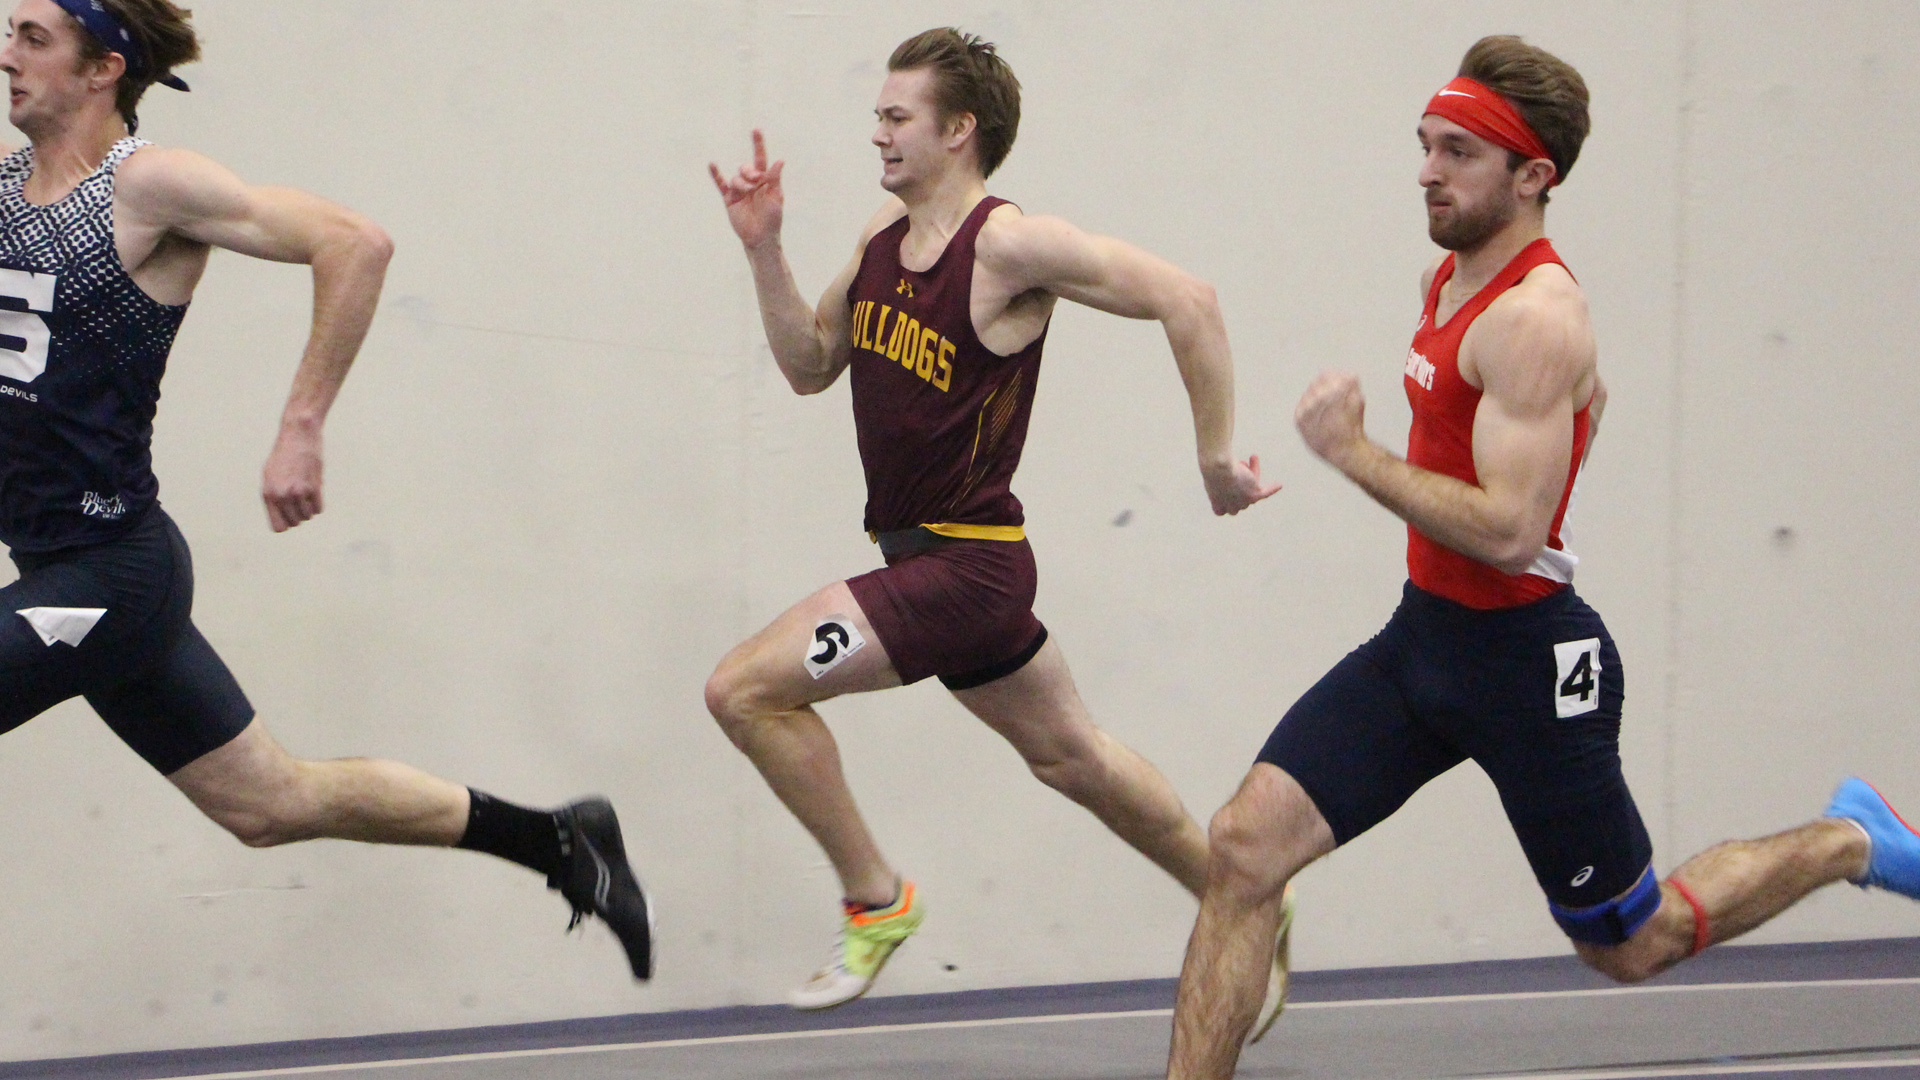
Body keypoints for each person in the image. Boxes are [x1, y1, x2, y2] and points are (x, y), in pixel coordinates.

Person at [1164, 34, 1920, 1079]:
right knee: (1245, 847)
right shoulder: (1452, 276)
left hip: (1530, 663)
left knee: (1627, 941)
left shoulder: (1537, 315)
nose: (1427, 169)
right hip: (1425, 639)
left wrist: (1351, 453)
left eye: (1459, 153)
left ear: (1534, 176)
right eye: (1426, 145)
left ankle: (1850, 840)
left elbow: (1511, 530)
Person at [0, 0, 652, 979]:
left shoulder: (147, 185)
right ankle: (559, 841)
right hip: (69, 569)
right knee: (270, 803)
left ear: (103, 69)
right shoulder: (8, 190)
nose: (6, 54)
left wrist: (300, 427)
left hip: (112, 572)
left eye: (33, 38)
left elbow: (356, 242)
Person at [708, 27, 1291, 1012]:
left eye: (898, 118)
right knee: (1076, 758)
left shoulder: (1008, 244)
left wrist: (1214, 458)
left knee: (745, 691)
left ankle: (874, 900)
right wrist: (765, 251)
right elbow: (810, 365)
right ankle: (1242, 898)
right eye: (878, 119)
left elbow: (1188, 299)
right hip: (941, 572)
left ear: (959, 130)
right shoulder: (879, 246)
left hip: (961, 573)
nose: (879, 136)